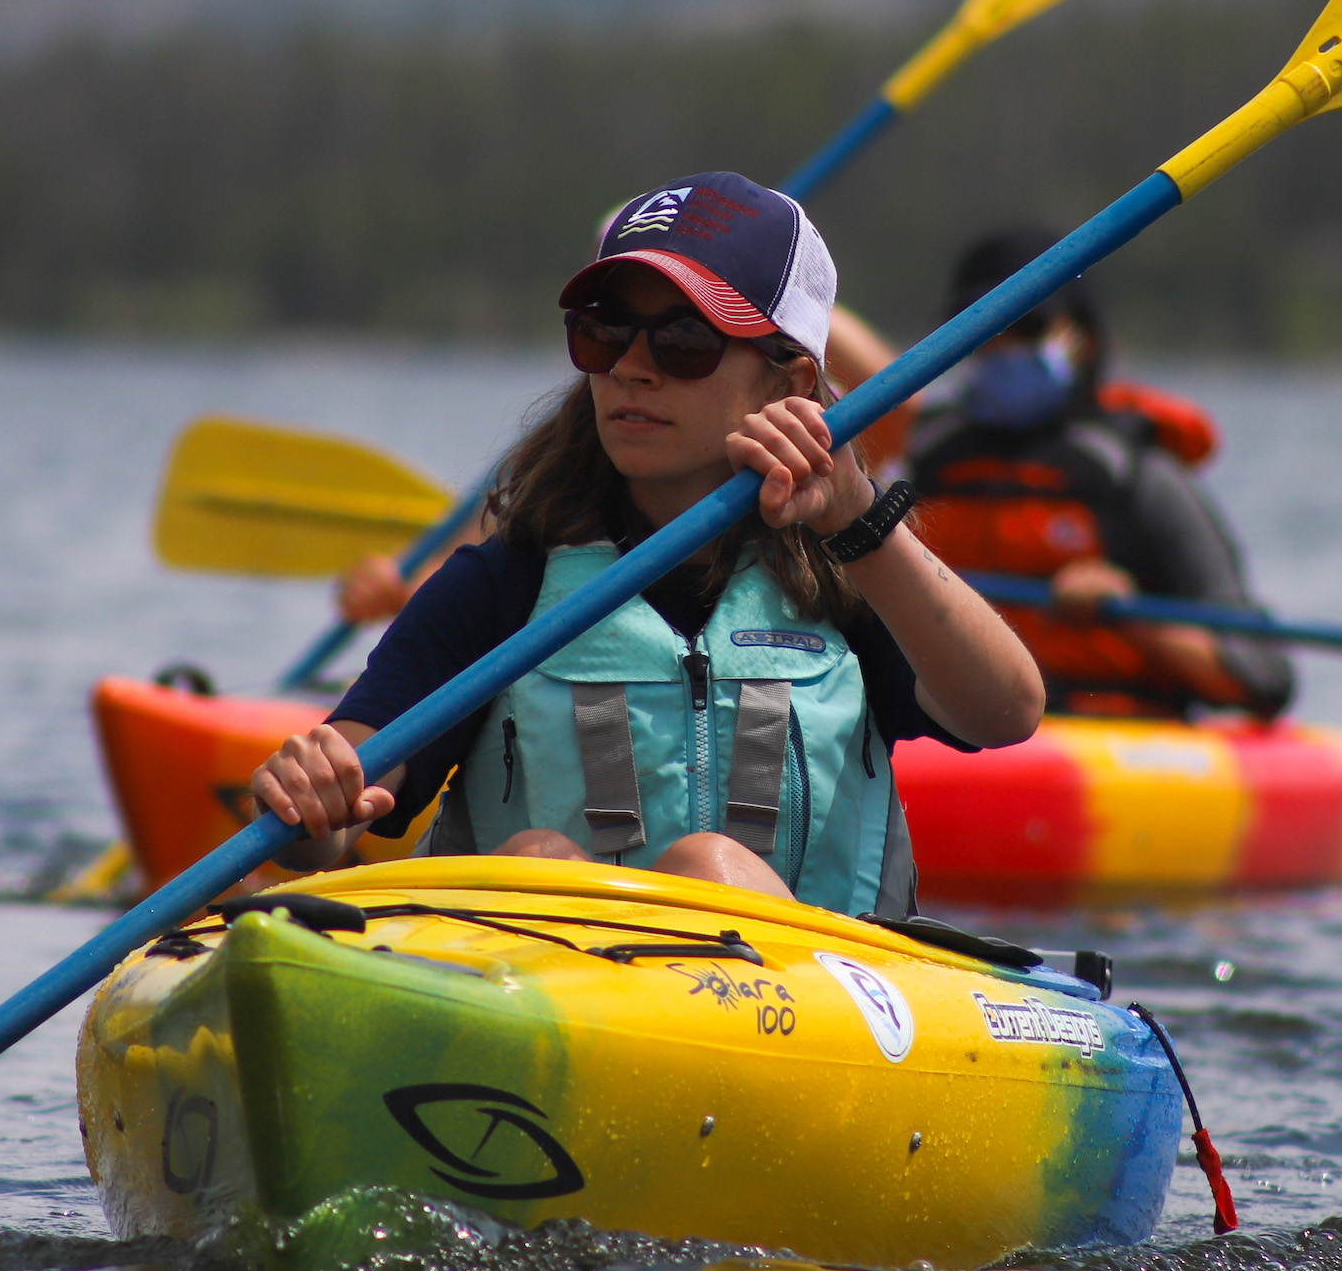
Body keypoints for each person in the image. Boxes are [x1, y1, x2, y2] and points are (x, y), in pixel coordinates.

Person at [253, 173, 1045, 916]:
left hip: (799, 1009)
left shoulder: (853, 581)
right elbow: (344, 809)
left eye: (683, 341)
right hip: (536, 982)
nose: (631, 369)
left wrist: (858, 519)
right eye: (603, 334)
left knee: (710, 865)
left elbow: (1008, 712)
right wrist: (313, 799)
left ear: (791, 382)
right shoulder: (505, 584)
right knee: (541, 862)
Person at [833, 228, 1293, 721]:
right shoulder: (924, 458)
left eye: (1027, 328)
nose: (1003, 347)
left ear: (1083, 340)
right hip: (956, 734)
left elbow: (1263, 675)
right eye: (982, 330)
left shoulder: (1140, 480)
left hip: (1102, 739)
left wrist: (1131, 614)